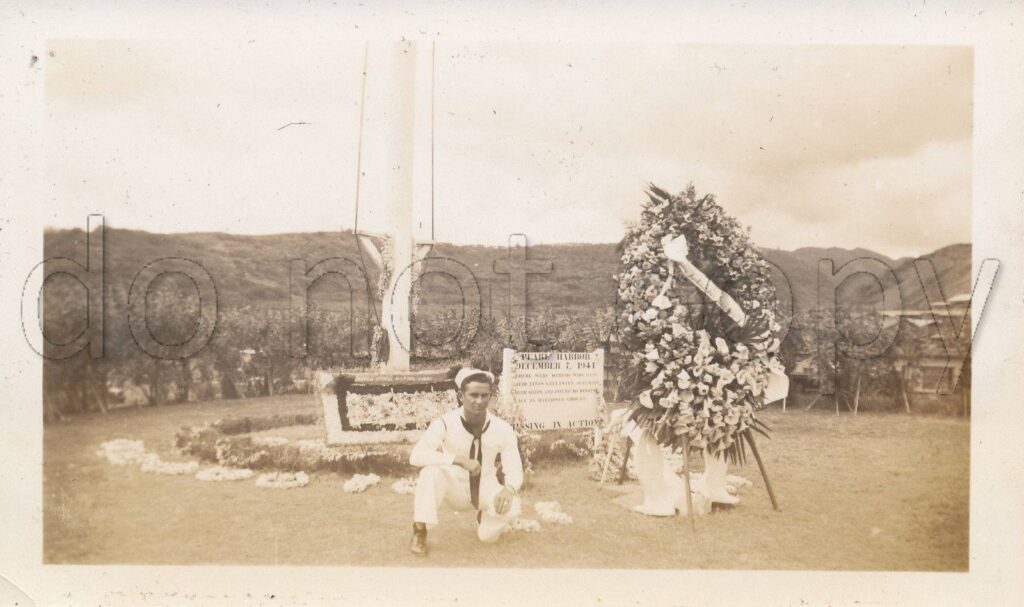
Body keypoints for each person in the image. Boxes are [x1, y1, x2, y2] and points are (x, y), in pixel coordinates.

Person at [408, 367, 523, 556]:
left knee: (505, 517)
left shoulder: (502, 428)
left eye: (484, 395)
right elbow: (417, 456)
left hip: (485, 485)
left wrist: (509, 489)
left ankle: (484, 518)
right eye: (473, 395)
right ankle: (420, 531)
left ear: (490, 396)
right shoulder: (445, 422)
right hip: (454, 485)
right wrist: (457, 459)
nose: (479, 401)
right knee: (430, 472)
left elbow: (514, 468)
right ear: (461, 396)